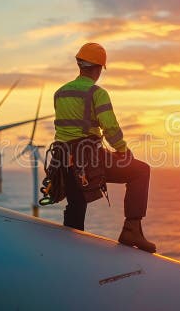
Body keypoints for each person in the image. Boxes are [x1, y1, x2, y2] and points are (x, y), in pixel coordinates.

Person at [53, 42, 156, 253]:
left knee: (76, 203)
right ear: (99, 69)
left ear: (80, 65)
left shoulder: (60, 93)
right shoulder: (97, 93)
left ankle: (70, 250)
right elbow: (109, 127)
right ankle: (131, 230)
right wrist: (123, 150)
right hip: (88, 159)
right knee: (140, 171)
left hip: (63, 159)